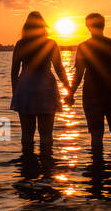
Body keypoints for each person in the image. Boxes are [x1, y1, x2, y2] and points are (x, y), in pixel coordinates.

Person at [9, 11, 71, 159]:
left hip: (25, 89)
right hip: (46, 89)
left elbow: (14, 72)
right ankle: (47, 168)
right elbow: (59, 69)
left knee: (27, 134)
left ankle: (27, 166)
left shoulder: (20, 44)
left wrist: (15, 93)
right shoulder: (50, 43)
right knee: (46, 134)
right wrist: (69, 89)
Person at [68, 12, 111, 156]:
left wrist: (70, 94)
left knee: (96, 134)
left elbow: (78, 75)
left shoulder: (83, 47)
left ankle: (97, 168)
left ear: (87, 27)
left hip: (91, 95)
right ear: (104, 25)